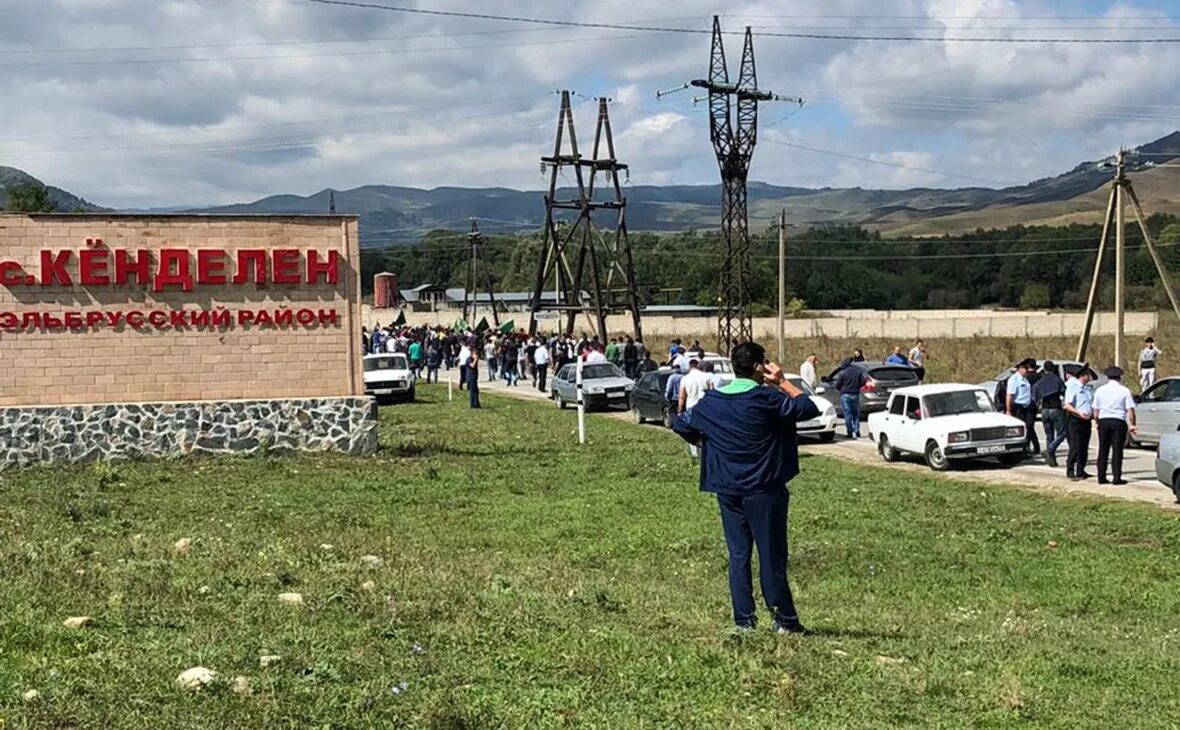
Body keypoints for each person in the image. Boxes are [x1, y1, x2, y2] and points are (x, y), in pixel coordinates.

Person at [672, 341, 819, 634]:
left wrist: (704, 442)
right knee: (771, 556)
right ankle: (784, 620)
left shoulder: (712, 402)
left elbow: (680, 423)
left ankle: (744, 622)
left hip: (728, 488)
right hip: (764, 489)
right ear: (758, 367)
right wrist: (782, 382)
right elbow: (806, 407)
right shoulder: (766, 398)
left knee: (739, 555)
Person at [1093, 366, 1137, 485]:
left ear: (1107, 377)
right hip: (1118, 421)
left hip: (1104, 421)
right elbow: (1130, 410)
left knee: (1103, 449)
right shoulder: (1124, 391)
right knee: (1117, 450)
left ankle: (1101, 477)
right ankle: (1116, 477)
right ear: (1119, 377)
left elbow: (1096, 410)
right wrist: (1132, 425)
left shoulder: (1100, 390)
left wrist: (1097, 422)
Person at [1032, 361, 1067, 467]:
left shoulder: (1040, 382)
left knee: (1049, 435)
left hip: (1044, 410)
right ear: (1053, 369)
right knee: (1062, 433)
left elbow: (1035, 395)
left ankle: (1051, 459)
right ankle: (1050, 450)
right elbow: (1064, 391)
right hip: (1055, 409)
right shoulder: (1057, 379)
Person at [1063, 365, 1094, 481]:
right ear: (1083, 376)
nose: (1090, 377)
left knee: (1084, 446)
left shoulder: (1087, 389)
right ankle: (1070, 469)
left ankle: (1081, 469)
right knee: (1075, 445)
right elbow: (1067, 405)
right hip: (1076, 419)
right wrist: (1078, 413)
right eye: (1088, 375)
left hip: (1086, 420)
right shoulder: (1073, 387)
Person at [678, 358, 714, 458]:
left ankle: (695, 454)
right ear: (697, 366)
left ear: (689, 367)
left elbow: (682, 396)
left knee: (692, 430)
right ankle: (705, 450)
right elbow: (712, 391)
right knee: (705, 430)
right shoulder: (706, 377)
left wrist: (680, 409)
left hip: (691, 407)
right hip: (705, 406)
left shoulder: (685, 378)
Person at [1005, 359, 1040, 455]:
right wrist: (1008, 410)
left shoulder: (1025, 378)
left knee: (1029, 426)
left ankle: (1033, 447)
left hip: (1028, 406)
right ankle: (1023, 449)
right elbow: (1009, 395)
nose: (1026, 370)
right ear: (1020, 369)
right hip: (1019, 407)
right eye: (1024, 368)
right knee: (1023, 428)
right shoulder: (1014, 379)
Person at [833, 358, 867, 439]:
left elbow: (837, 385)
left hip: (845, 394)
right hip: (855, 394)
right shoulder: (858, 372)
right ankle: (857, 430)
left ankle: (850, 431)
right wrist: (857, 387)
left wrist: (842, 389)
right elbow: (863, 382)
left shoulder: (842, 373)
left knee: (848, 414)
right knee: (855, 414)